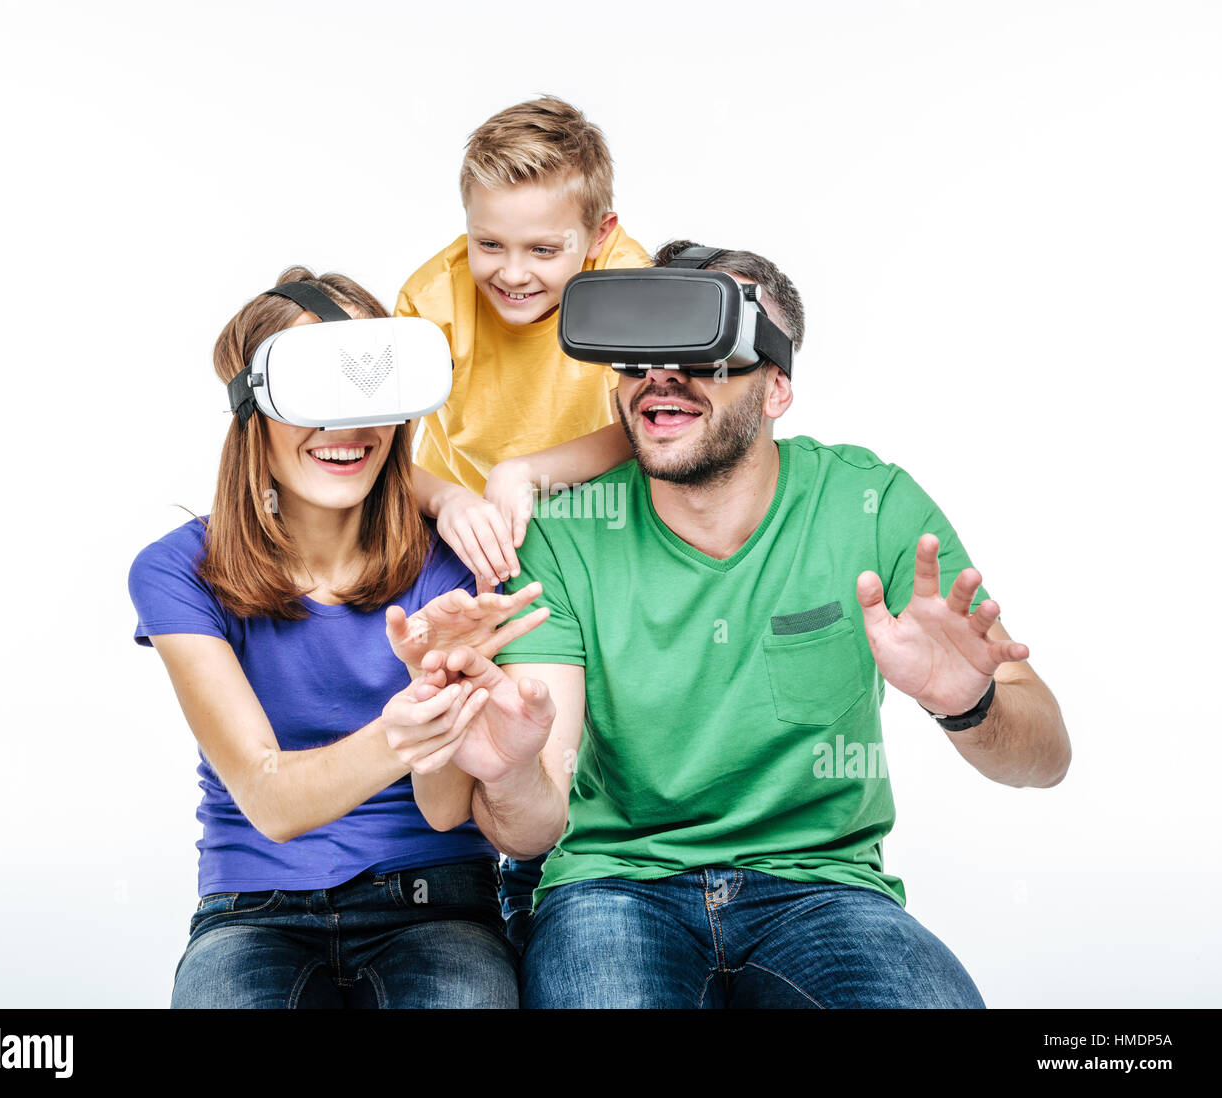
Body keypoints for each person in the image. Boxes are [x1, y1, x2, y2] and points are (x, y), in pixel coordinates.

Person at [391, 240, 1072, 1008]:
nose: (662, 377)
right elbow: (530, 825)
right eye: (642, 354)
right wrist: (511, 772)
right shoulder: (561, 533)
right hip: (615, 889)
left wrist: (969, 704)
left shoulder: (868, 507)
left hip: (822, 890)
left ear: (777, 386)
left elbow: (1045, 760)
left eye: (705, 351)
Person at [127, 267, 548, 1008]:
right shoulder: (176, 571)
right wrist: (402, 728)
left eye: (369, 395)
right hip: (253, 911)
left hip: (437, 903)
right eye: (315, 398)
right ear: (253, 411)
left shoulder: (453, 564)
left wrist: (439, 683)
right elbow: (271, 800)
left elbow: (447, 811)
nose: (348, 430)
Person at [393, 95, 649, 946]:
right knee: (485, 708)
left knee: (591, 721)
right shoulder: (430, 295)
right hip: (478, 542)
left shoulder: (633, 282)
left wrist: (529, 469)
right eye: (489, 243)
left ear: (600, 235)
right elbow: (375, 449)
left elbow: (643, 423)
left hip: (602, 531)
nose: (511, 271)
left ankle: (588, 873)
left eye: (545, 249)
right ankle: (494, 881)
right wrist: (450, 497)